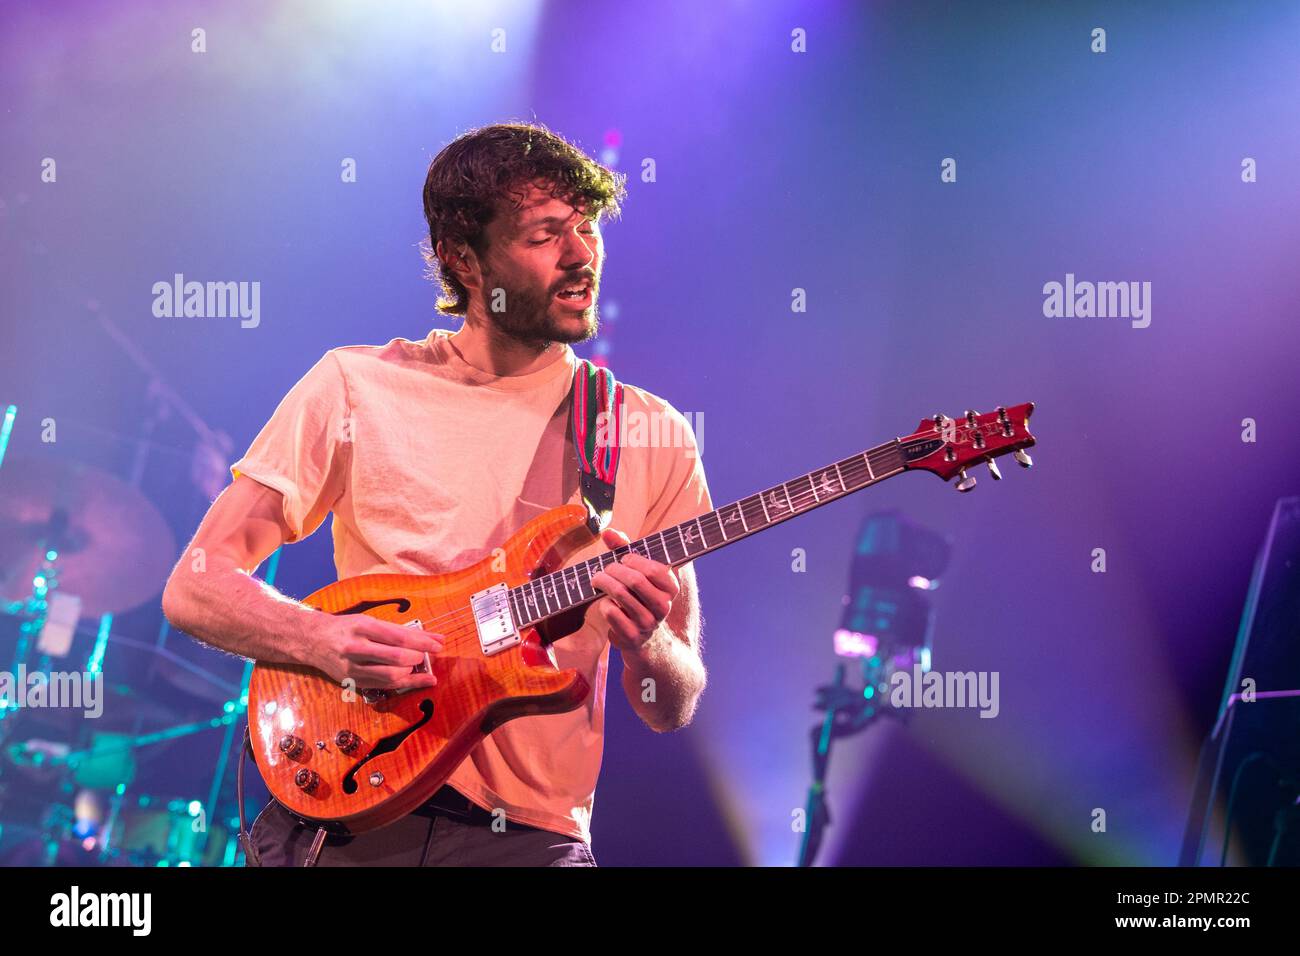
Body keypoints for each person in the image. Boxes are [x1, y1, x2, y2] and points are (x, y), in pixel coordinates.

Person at [161, 123, 712, 866]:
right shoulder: (356, 385)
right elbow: (195, 587)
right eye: (548, 233)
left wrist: (650, 642)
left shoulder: (647, 432)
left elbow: (671, 707)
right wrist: (321, 640)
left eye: (586, 228)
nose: (582, 255)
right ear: (463, 257)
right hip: (354, 803)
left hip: (531, 839)